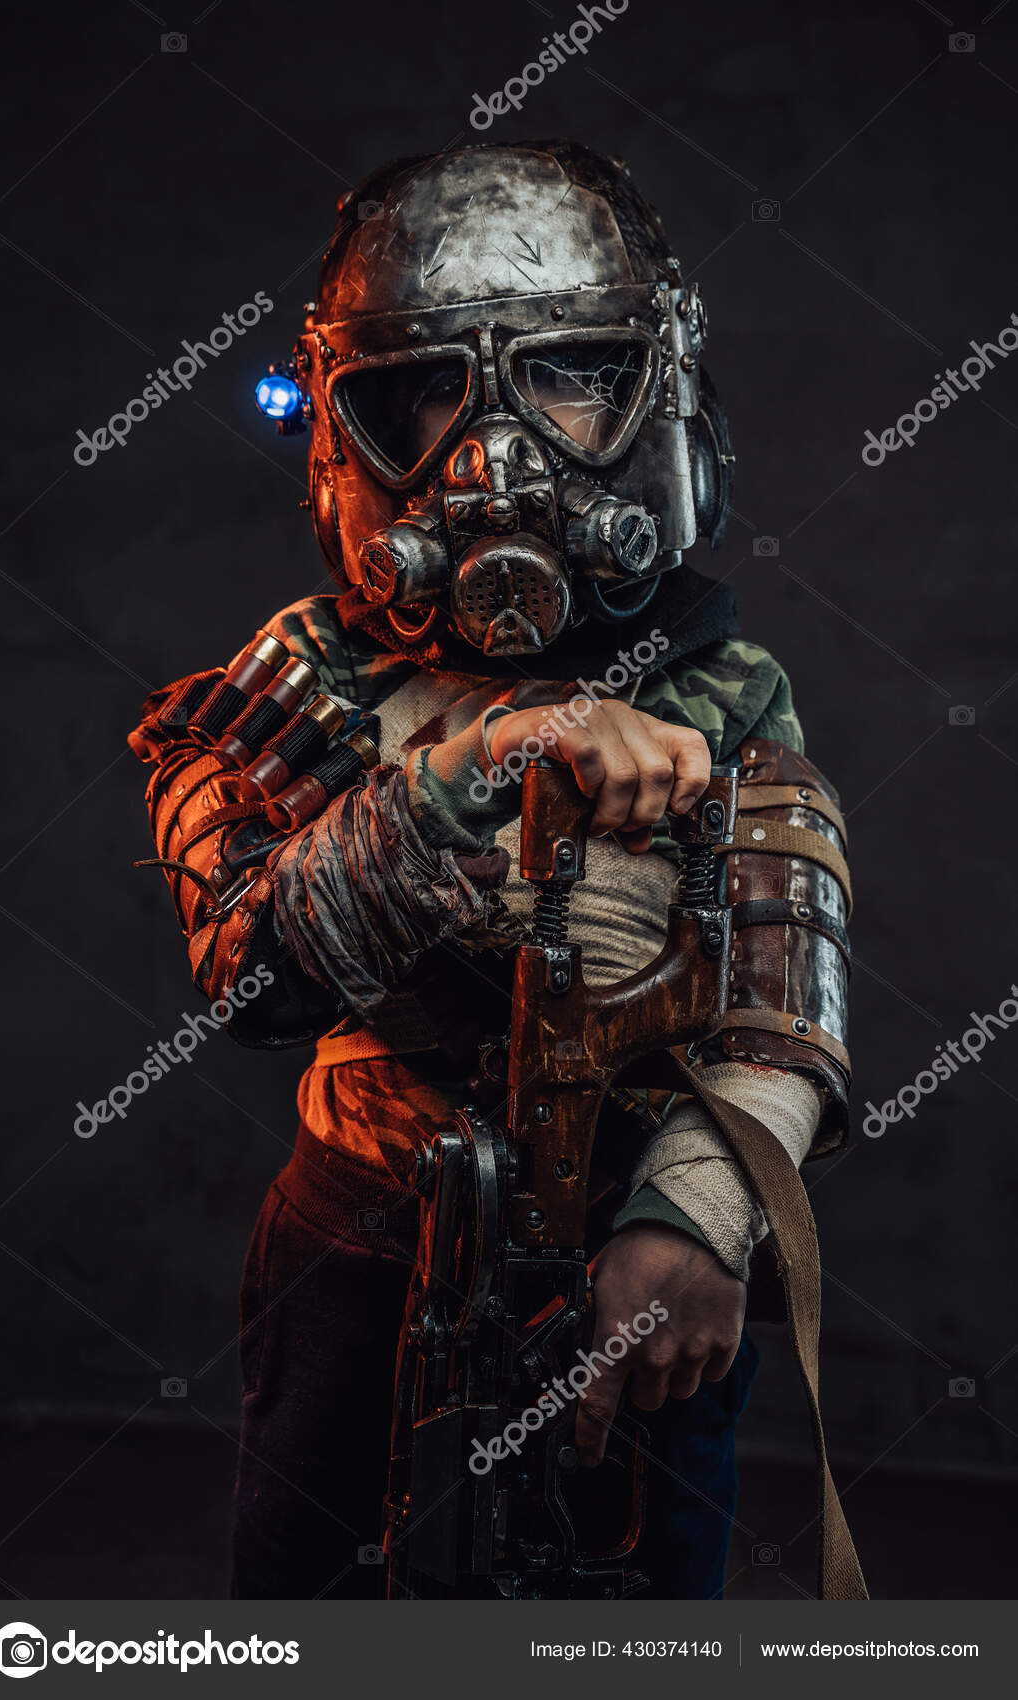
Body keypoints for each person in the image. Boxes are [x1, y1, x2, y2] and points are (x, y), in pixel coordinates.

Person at [130, 141, 853, 1600]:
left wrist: (694, 1219)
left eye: (569, 378)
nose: (494, 454)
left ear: (661, 397)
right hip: (360, 1247)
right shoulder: (304, 680)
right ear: (343, 428)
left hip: (637, 1268)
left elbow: (787, 1012)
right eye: (424, 395)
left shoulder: (724, 692)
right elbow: (255, 970)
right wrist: (494, 756)